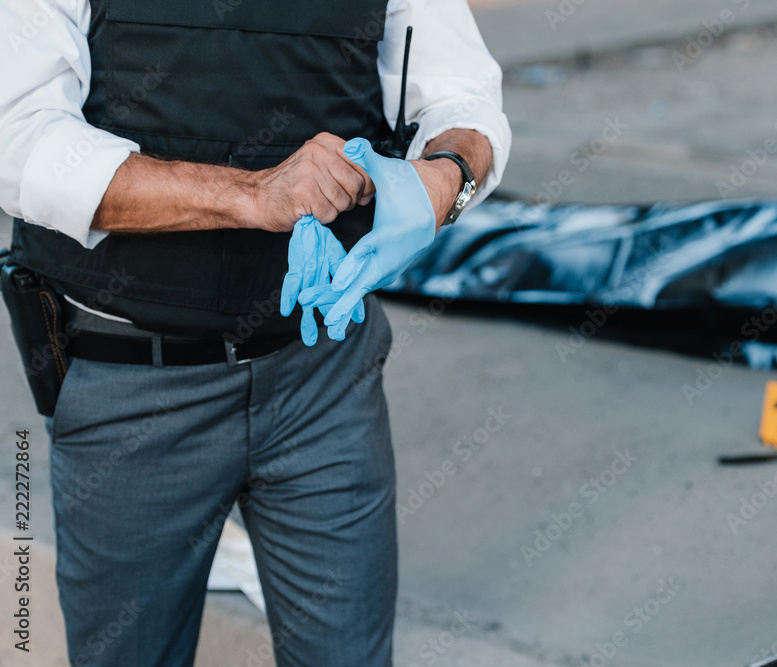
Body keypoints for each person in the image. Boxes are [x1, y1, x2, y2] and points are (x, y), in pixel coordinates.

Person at [0, 0, 510, 664]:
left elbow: (463, 97)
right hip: (134, 387)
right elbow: (19, 139)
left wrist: (444, 178)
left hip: (325, 375)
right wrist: (250, 194)